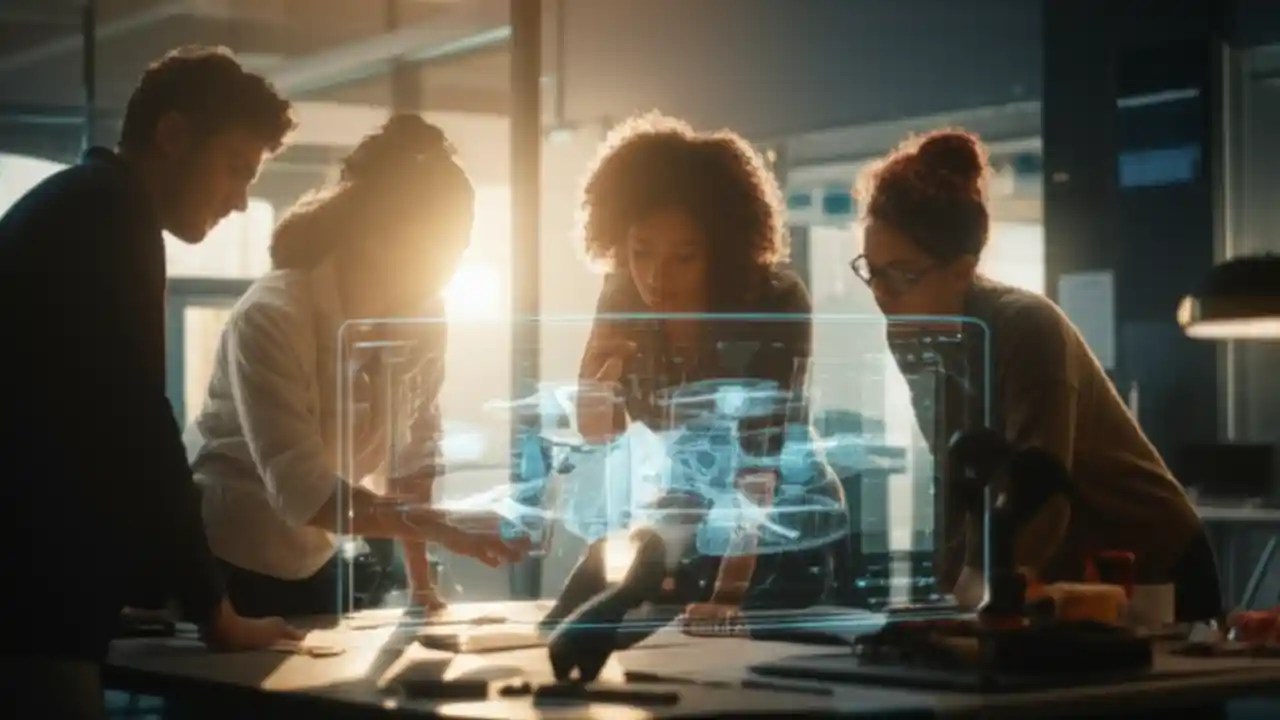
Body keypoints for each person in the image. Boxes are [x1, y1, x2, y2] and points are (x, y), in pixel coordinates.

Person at [0, 46, 300, 718]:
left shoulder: (83, 204)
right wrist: (214, 610)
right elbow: (137, 424)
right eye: (234, 169)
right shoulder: (108, 217)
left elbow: (86, 420)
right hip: (27, 614)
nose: (240, 199)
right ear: (171, 136)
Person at [852, 128, 1221, 621]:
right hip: (1059, 576)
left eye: (901, 273)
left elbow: (1043, 490)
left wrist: (977, 596)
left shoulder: (1026, 327)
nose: (880, 292)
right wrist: (945, 591)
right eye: (871, 270)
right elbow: (958, 479)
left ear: (961, 271)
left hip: (1152, 563)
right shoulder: (911, 334)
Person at [184, 114, 528, 619]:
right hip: (225, 558)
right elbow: (304, 492)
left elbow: (413, 454)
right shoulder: (273, 315)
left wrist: (421, 585)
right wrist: (442, 525)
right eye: (434, 246)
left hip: (314, 555)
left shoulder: (426, 312)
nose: (446, 267)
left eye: (458, 248)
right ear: (375, 231)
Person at [542, 113, 840, 633]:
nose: (657, 277)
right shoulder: (621, 295)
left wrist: (727, 598)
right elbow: (602, 436)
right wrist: (592, 394)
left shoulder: (772, 303)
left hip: (778, 532)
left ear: (720, 252)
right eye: (641, 253)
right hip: (685, 521)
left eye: (684, 257)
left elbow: (758, 470)